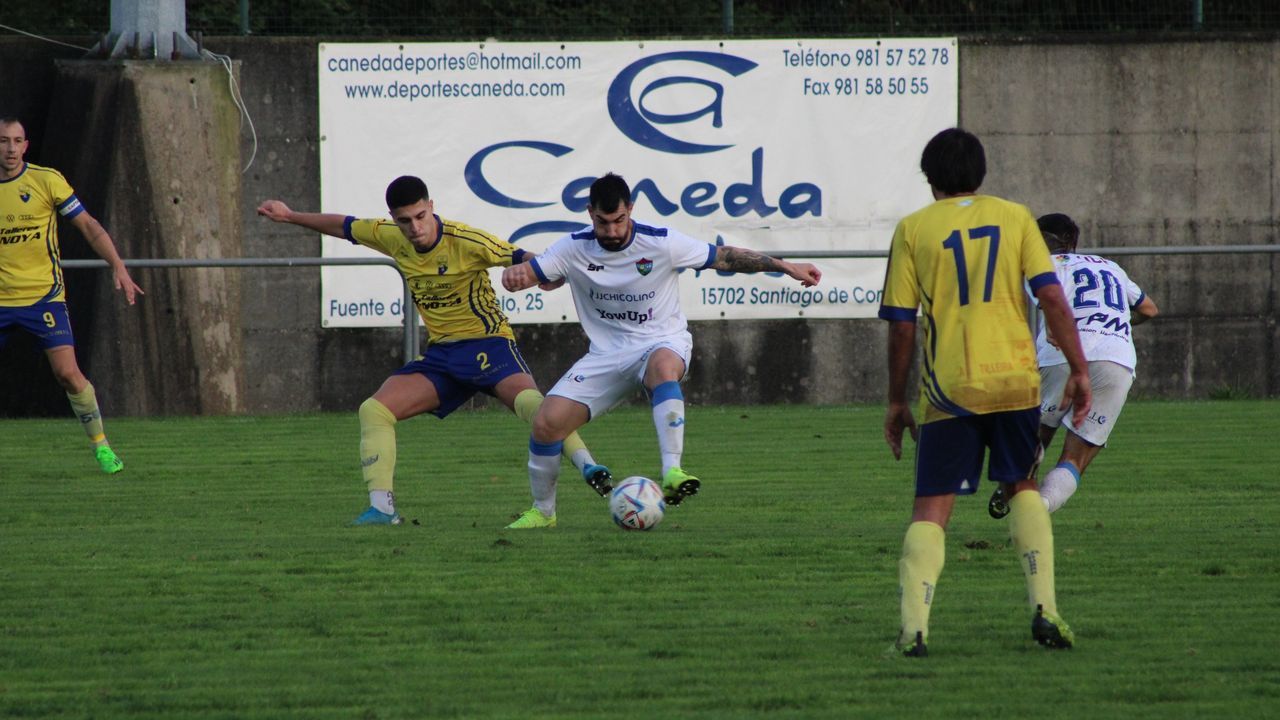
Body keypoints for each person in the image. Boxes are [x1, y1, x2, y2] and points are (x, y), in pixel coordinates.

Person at [257, 175, 611, 526]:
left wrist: (543, 277)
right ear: (394, 219)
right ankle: (383, 510)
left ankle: (589, 466)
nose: (414, 228)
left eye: (420, 216)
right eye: (404, 221)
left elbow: (530, 261)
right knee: (374, 410)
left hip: (488, 344)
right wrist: (290, 216)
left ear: (431, 207)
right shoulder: (390, 235)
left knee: (533, 406)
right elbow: (344, 226)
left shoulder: (467, 241)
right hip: (442, 356)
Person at [500, 172, 822, 529]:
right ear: (590, 213)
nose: (612, 231)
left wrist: (786, 266)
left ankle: (672, 472)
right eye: (603, 222)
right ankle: (544, 513)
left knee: (662, 367)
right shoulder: (573, 248)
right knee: (546, 424)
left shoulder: (661, 242)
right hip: (606, 355)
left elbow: (725, 257)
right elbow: (534, 272)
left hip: (661, 341)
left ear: (631, 209)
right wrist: (517, 278)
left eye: (619, 220)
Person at [878, 129, 1092, 657]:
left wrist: (896, 400)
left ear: (930, 179)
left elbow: (902, 324)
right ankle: (1046, 610)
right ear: (981, 173)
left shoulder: (913, 228)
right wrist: (1078, 368)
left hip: (950, 388)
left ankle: (914, 632)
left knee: (932, 507)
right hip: (1016, 381)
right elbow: (1052, 298)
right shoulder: (1016, 217)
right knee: (1023, 485)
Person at [988, 212, 1158, 518]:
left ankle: (1010, 489)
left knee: (1035, 437)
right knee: (1075, 458)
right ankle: (1040, 507)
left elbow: (1049, 303)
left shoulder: (1041, 264)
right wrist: (1117, 325)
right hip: (1115, 358)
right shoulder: (1110, 267)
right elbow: (1149, 308)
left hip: (1062, 354)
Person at [0, 116, 143, 474]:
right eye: (3, 141)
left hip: (43, 297)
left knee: (67, 373)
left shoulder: (46, 181)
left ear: (26, 146)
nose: (10, 149)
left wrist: (118, 265)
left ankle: (102, 447)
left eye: (16, 141)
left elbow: (89, 226)